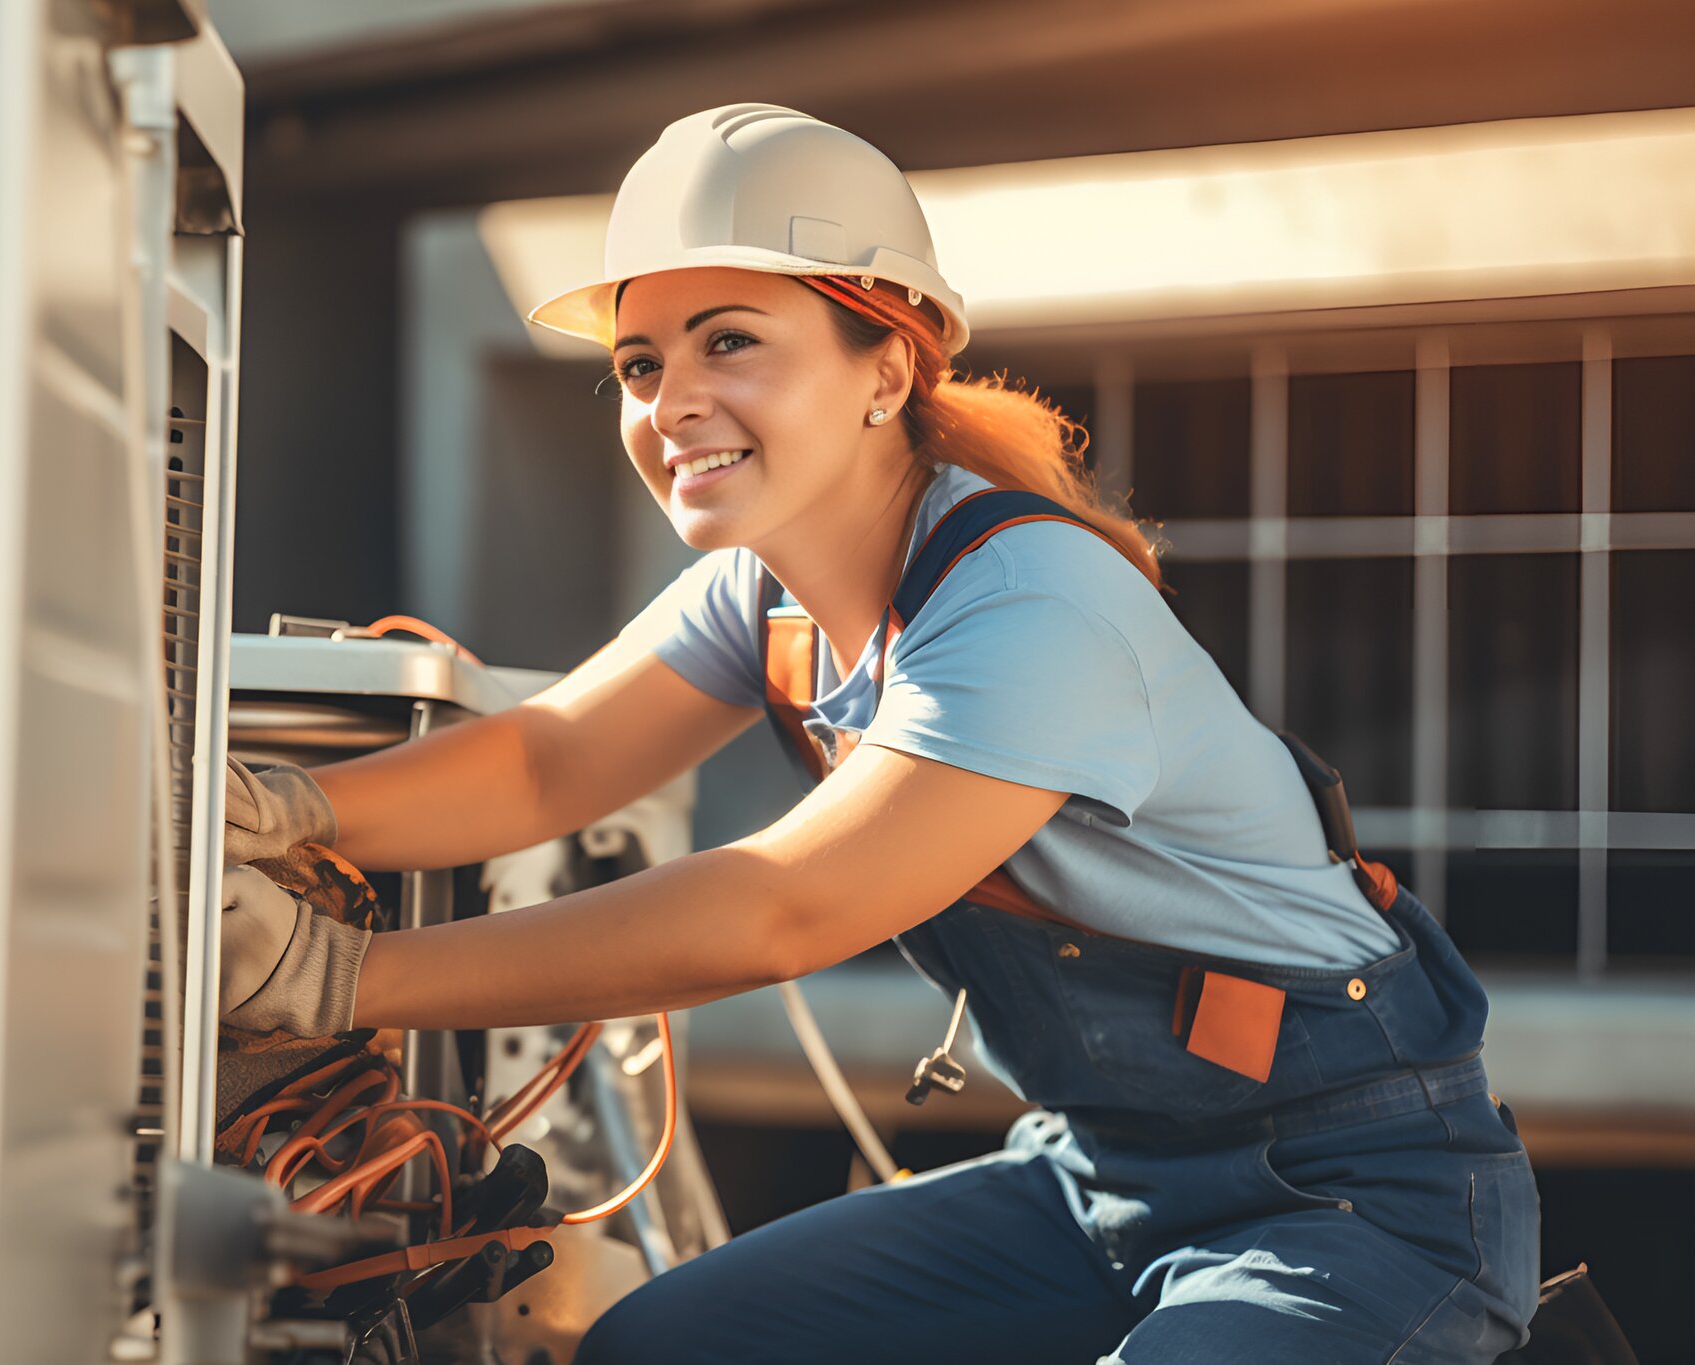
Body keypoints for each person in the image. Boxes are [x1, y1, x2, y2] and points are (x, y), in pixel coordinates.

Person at [218, 104, 1540, 1363]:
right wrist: (282, 805)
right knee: (661, 1346)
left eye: (729, 342)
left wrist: (347, 980)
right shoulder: (773, 592)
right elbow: (548, 755)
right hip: (1103, 1174)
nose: (670, 402)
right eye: (640, 361)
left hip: (1347, 1199)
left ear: (886, 367)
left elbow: (782, 907)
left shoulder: (1027, 601)